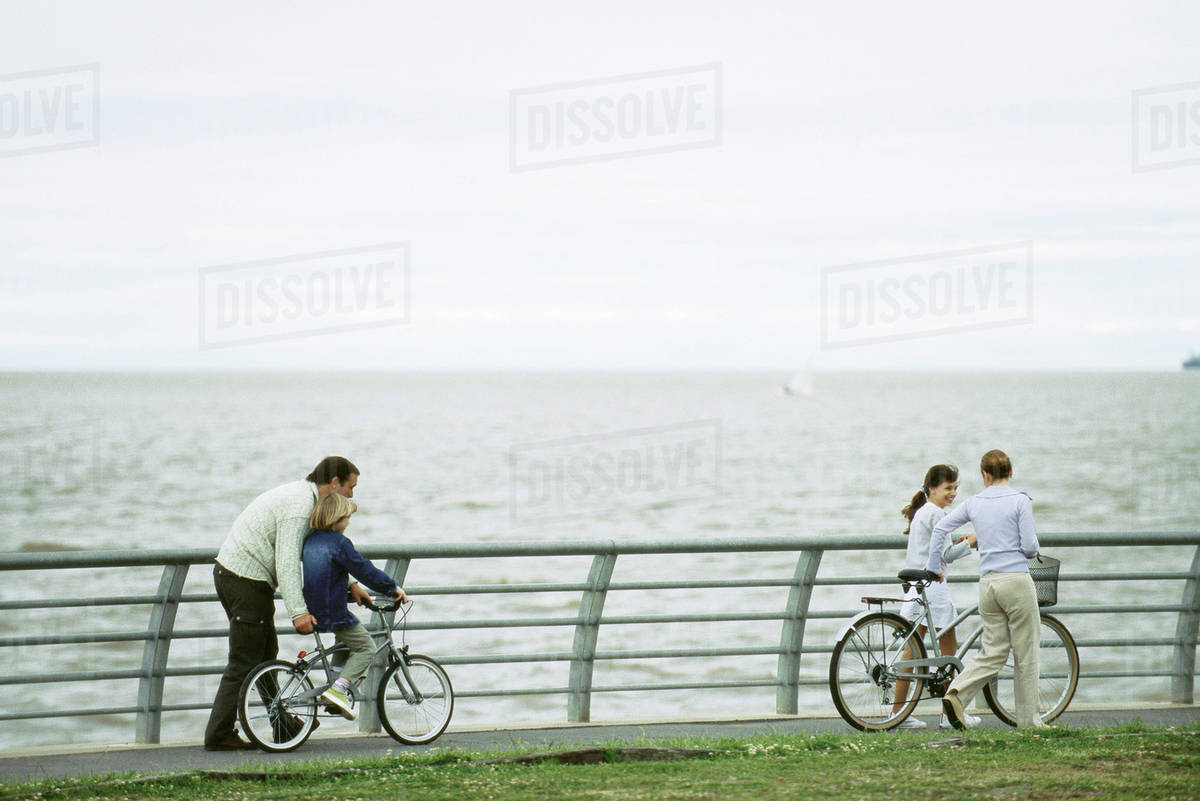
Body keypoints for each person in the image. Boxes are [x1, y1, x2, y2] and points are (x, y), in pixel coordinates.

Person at [203, 456, 371, 751]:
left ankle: (282, 724)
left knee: (266, 654)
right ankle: (218, 734)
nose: (352, 495)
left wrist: (351, 584)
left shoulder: (304, 499)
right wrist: (299, 612)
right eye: (350, 487)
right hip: (244, 579)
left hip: (242, 578)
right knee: (244, 661)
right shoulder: (298, 507)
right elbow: (287, 561)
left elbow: (318, 551)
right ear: (334, 483)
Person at [928, 449, 1044, 730]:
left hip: (988, 584)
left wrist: (935, 567)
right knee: (1026, 654)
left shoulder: (974, 503)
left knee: (992, 652)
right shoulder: (1020, 501)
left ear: (984, 475)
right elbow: (1029, 547)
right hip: (1015, 580)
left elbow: (940, 530)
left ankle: (956, 693)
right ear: (1011, 473)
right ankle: (1029, 722)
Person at [302, 493, 407, 719]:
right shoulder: (340, 543)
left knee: (344, 644)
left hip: (315, 607)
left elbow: (328, 575)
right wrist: (392, 588)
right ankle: (338, 690)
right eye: (347, 517)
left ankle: (334, 693)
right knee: (366, 648)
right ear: (337, 518)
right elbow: (364, 570)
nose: (348, 522)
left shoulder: (311, 541)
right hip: (333, 610)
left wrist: (350, 591)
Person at [892, 463, 979, 730]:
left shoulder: (923, 513)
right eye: (947, 488)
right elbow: (946, 557)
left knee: (911, 651)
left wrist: (958, 541)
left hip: (917, 587)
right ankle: (948, 715)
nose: (952, 493)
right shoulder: (937, 515)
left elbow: (937, 548)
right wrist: (973, 541)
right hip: (933, 589)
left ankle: (897, 715)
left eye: (955, 488)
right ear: (932, 488)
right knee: (948, 652)